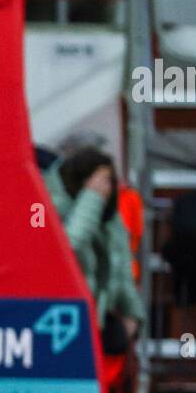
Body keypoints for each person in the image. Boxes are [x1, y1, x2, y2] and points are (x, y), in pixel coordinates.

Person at [43, 147, 144, 352]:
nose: (108, 187)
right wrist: (92, 197)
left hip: (95, 322)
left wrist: (133, 315)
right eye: (104, 181)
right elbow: (69, 246)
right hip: (56, 316)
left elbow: (121, 266)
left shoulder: (109, 215)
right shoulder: (41, 205)